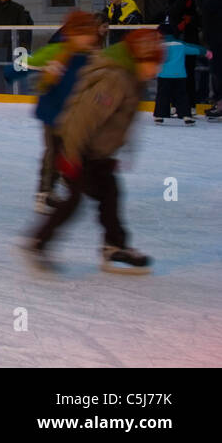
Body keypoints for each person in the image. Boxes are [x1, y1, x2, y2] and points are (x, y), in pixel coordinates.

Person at [23, 28, 163, 274]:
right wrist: (70, 155)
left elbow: (120, 121)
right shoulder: (115, 79)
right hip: (76, 146)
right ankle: (38, 243)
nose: (156, 69)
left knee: (110, 194)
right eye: (153, 62)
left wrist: (118, 151)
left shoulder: (131, 77)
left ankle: (114, 247)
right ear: (138, 58)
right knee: (74, 200)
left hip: (97, 152)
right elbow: (83, 117)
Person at [6, 10, 100, 214]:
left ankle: (68, 182)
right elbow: (25, 64)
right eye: (86, 33)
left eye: (92, 33)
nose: (92, 37)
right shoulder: (56, 52)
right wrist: (11, 72)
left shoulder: (91, 57)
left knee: (76, 151)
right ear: (74, 33)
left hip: (75, 115)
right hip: (52, 114)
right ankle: (44, 193)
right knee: (55, 152)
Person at [152, 23, 207, 125]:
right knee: (181, 96)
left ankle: (159, 116)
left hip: (164, 75)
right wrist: (205, 52)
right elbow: (194, 48)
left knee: (162, 95)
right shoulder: (180, 45)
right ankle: (186, 116)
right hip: (179, 75)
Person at [166, 0, 202, 110]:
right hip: (176, 41)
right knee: (176, 73)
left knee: (190, 73)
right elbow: (172, 14)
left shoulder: (195, 3)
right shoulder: (173, 0)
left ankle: (191, 104)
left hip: (190, 40)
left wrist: (190, 20)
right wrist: (182, 0)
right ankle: (176, 104)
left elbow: (199, 20)